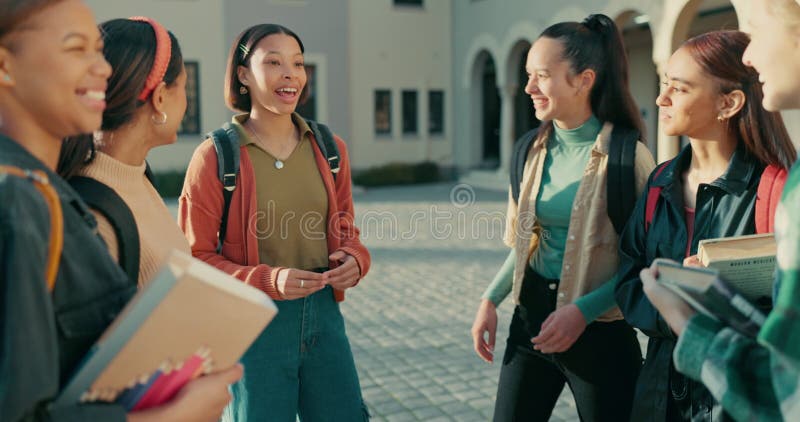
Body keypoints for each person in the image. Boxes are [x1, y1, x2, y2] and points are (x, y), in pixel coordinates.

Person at [0, 1, 241, 421]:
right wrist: (173, 416)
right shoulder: (18, 200)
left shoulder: (49, 192)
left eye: (99, 50)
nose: (103, 69)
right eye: (77, 48)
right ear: (5, 66)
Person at [178, 23, 371, 421]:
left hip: (324, 317)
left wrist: (355, 260)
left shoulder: (330, 149)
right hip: (252, 325)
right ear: (243, 75)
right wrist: (269, 280)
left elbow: (346, 230)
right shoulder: (214, 157)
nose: (291, 74)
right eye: (273, 62)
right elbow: (194, 261)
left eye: (298, 63)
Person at [470, 13, 655, 422]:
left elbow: (646, 262)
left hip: (600, 334)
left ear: (583, 80)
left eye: (541, 75)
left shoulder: (629, 158)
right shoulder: (529, 151)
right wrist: (490, 300)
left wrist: (582, 311)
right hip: (530, 323)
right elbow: (525, 243)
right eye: (527, 76)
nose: (528, 88)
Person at [615, 29, 796, 421]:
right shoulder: (659, 182)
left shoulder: (778, 192)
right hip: (657, 397)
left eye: (679, 89)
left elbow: (788, 320)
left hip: (733, 399)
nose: (661, 99)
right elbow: (628, 277)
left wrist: (710, 298)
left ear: (728, 103)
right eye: (663, 85)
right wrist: (672, 310)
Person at [58, 16, 190, 286]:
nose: (187, 101)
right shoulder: (94, 216)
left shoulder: (138, 176)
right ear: (160, 97)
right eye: (184, 86)